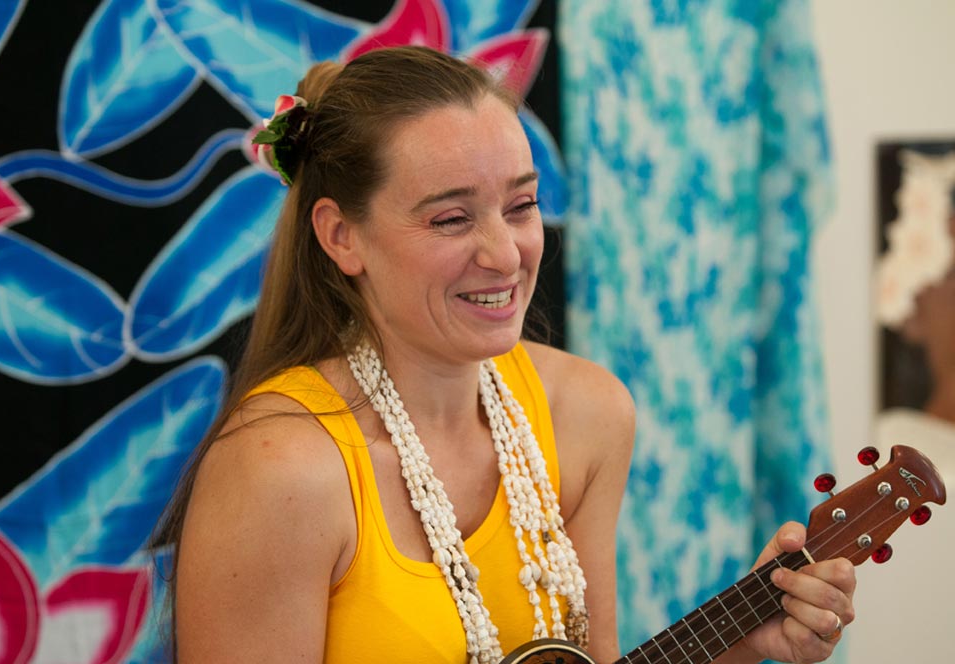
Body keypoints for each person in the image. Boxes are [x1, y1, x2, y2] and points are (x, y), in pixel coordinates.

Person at [155, 46, 855, 663]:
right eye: (452, 218)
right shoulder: (282, 469)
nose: (505, 254)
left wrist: (743, 645)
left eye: (520, 206)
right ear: (342, 236)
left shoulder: (586, 413)